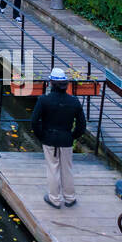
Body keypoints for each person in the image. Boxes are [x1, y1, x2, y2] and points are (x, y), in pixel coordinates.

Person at [30, 66, 87, 209]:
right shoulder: (74, 101)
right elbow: (81, 125)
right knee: (67, 169)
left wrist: (42, 135)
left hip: (49, 138)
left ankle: (54, 198)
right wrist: (72, 136)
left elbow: (34, 121)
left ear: (51, 83)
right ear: (65, 85)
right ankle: (70, 197)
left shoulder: (44, 100)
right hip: (66, 139)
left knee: (52, 168)